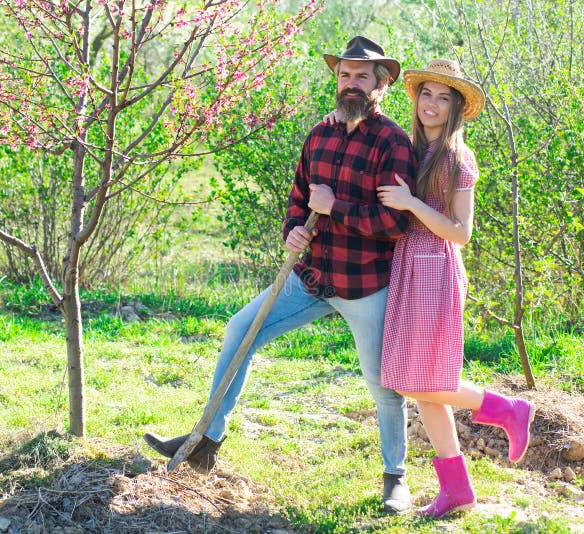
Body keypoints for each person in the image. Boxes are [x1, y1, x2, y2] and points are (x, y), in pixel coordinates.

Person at [144, 36, 418, 514]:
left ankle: (395, 476)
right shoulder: (320, 135)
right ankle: (207, 440)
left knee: (381, 384)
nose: (350, 83)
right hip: (309, 278)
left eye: (361, 76)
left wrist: (338, 209)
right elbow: (298, 201)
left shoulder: (392, 142)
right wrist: (293, 232)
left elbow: (396, 224)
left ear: (382, 83)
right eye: (344, 75)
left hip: (365, 284)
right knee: (240, 331)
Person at [374, 59, 535, 517]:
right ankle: (458, 490)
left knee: (424, 380)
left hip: (436, 268)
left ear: (456, 108)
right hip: (408, 266)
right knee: (419, 385)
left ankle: (505, 408)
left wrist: (408, 202)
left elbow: (461, 232)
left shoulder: (457, 157)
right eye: (427, 93)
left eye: (443, 97)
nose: (432, 104)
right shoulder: (409, 148)